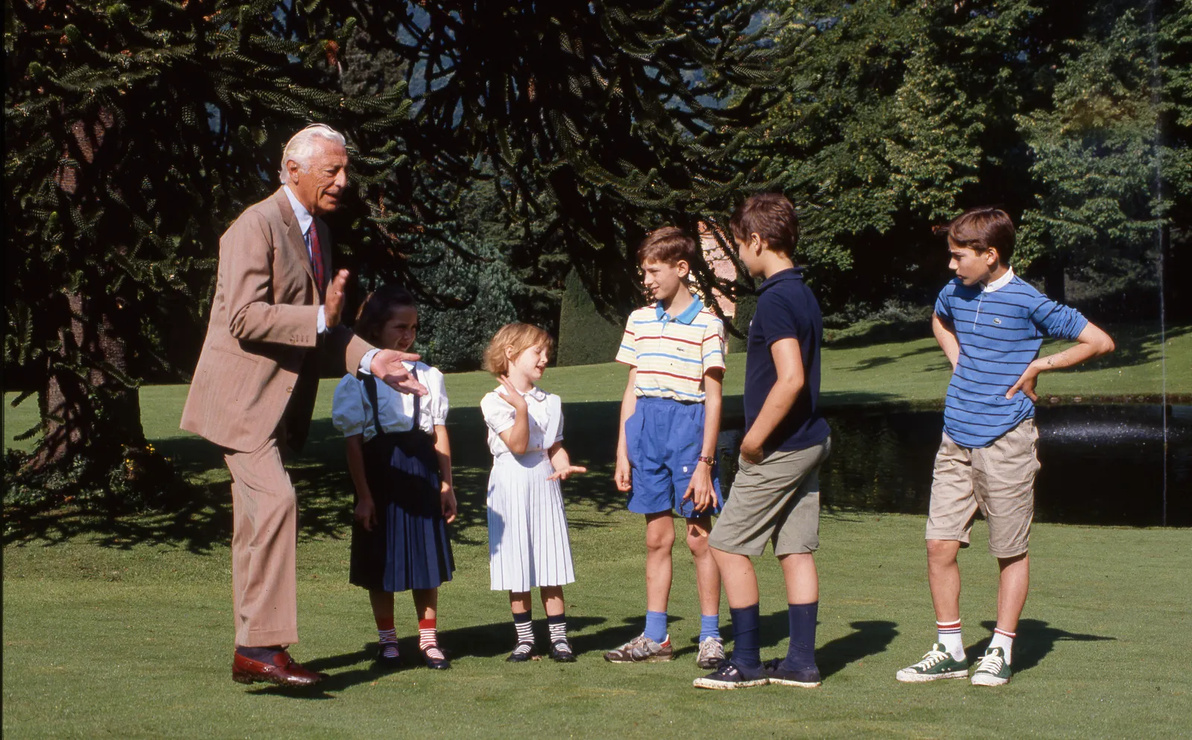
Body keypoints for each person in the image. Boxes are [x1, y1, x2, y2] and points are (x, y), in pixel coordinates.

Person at [180, 124, 426, 688]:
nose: (343, 181)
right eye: (330, 171)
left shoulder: (317, 232)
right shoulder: (255, 225)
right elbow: (243, 316)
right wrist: (320, 318)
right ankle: (262, 648)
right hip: (241, 404)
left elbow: (323, 335)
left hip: (274, 407)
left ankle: (251, 649)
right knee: (277, 502)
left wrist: (374, 359)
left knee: (255, 524)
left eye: (345, 171)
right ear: (292, 170)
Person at [896, 207, 1114, 687]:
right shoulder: (955, 291)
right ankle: (950, 649)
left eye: (959, 257)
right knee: (939, 544)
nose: (951, 266)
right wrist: (960, 363)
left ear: (990, 255)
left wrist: (1039, 367)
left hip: (1006, 441)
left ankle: (1001, 649)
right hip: (955, 436)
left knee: (1008, 549)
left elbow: (1099, 342)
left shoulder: (1028, 301)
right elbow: (939, 319)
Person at [694, 193, 831, 690]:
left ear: (756, 240)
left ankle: (747, 662)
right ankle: (800, 663)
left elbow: (791, 378)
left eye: (738, 243)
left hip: (780, 447)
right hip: (810, 439)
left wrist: (752, 441)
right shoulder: (803, 292)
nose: (738, 254)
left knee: (727, 545)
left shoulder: (774, 299)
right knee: (794, 550)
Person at [604, 227, 727, 669]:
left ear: (681, 269)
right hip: (646, 433)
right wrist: (623, 450)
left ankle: (711, 636)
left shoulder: (708, 325)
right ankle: (656, 636)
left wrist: (705, 463)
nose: (647, 280)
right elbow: (631, 391)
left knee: (698, 538)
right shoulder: (639, 320)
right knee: (657, 537)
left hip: (688, 432)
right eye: (644, 271)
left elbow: (713, 397)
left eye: (654, 271)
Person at [331, 286, 457, 671]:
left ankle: (428, 639)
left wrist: (447, 483)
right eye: (399, 327)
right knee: (380, 562)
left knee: (426, 561)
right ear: (376, 329)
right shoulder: (357, 382)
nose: (408, 335)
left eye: (414, 327)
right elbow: (354, 446)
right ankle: (388, 642)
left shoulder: (429, 377)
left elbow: (439, 431)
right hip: (381, 475)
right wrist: (363, 496)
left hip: (421, 471)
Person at [481, 323, 587, 663]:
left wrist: (563, 463)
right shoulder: (493, 401)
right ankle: (525, 639)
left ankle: (559, 638)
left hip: (543, 483)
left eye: (546, 353)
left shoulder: (551, 401)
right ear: (511, 353)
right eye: (536, 352)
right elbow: (518, 443)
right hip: (509, 484)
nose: (544, 360)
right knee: (518, 563)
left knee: (549, 560)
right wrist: (521, 408)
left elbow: (552, 446)